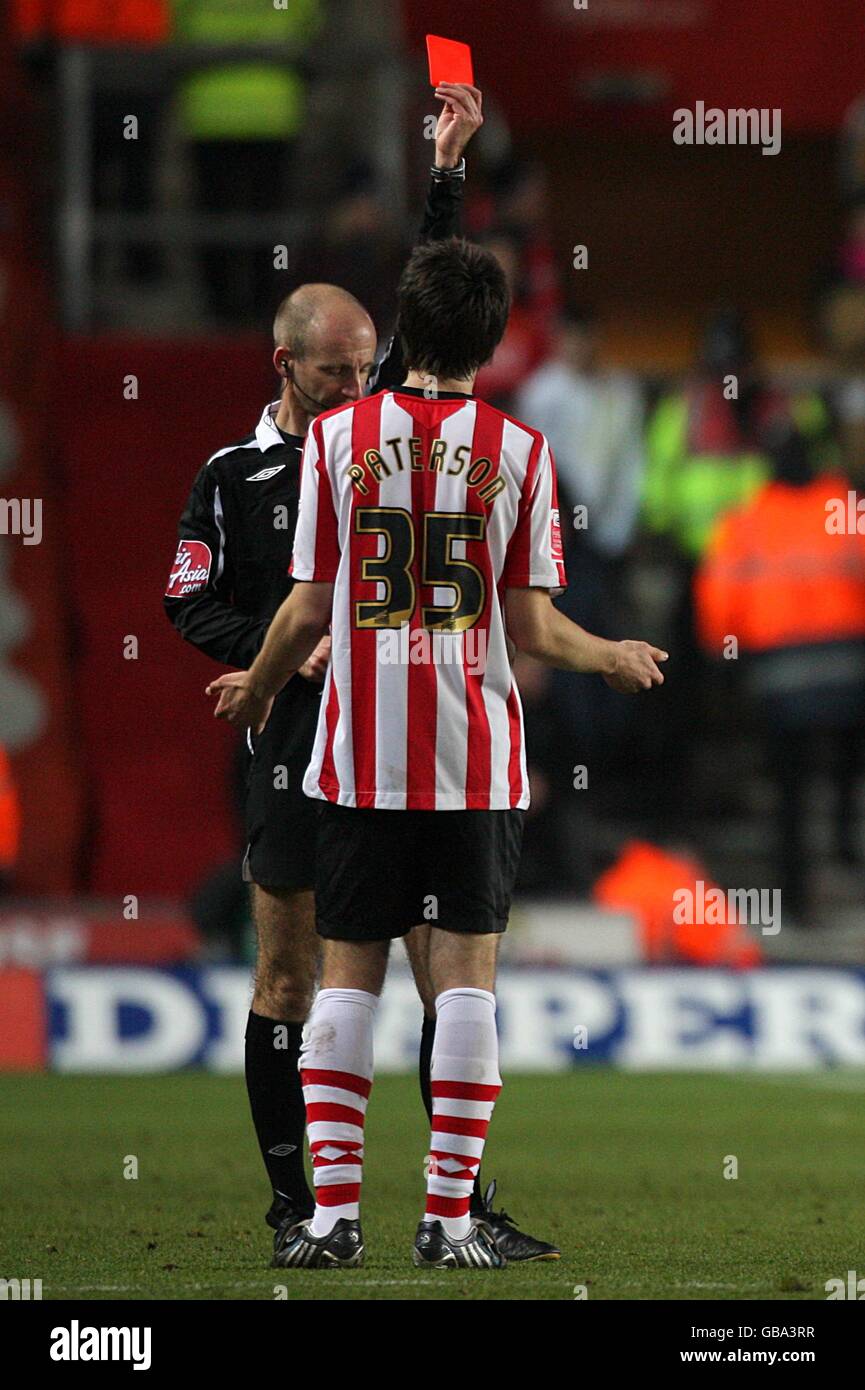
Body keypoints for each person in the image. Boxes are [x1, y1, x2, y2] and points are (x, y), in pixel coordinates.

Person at [207, 236, 667, 1269]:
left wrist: (263, 684)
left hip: (358, 756)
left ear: (402, 331)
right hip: (473, 762)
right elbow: (537, 628)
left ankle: (329, 1220)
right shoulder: (520, 450)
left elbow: (305, 603)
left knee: (345, 981)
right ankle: (450, 1220)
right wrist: (610, 655)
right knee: (462, 984)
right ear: (496, 340)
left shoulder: (334, 440)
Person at [166, 84, 557, 1264]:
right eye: (336, 372)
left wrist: (443, 173)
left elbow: (432, 312)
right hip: (302, 740)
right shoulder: (233, 476)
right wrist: (278, 659)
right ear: (286, 366)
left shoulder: (368, 432)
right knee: (288, 972)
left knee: (448, 973)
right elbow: (190, 597)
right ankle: (300, 1206)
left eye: (364, 365)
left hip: (404, 734)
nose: (358, 382)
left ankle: (457, 1204)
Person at [694, 427, 865, 921]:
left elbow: (719, 599)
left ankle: (795, 894)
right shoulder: (845, 507)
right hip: (848, 673)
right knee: (845, 771)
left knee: (790, 793)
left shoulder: (747, 519)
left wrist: (723, 655)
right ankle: (844, 843)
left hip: (780, 679)